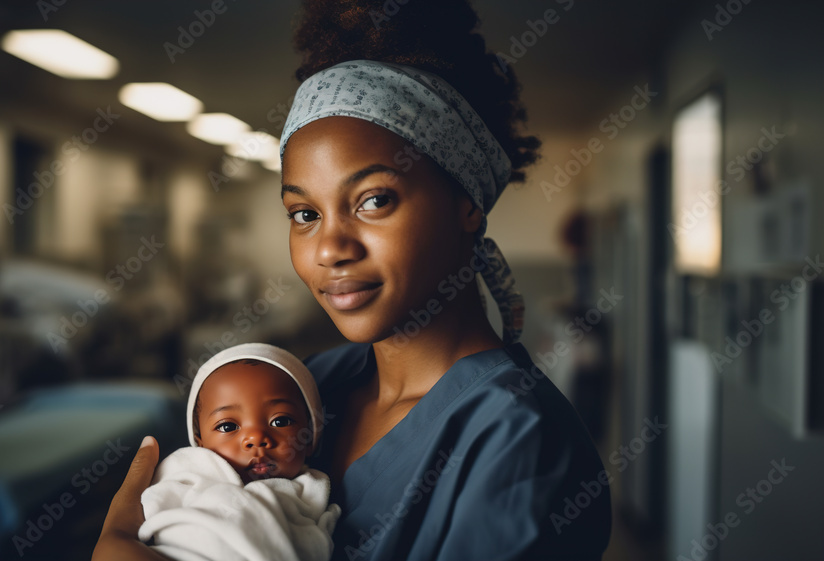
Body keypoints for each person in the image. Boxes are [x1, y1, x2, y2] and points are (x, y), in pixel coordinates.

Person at [94, 1, 611, 560]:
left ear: (466, 204)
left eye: (374, 201)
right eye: (305, 214)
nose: (330, 250)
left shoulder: (521, 444)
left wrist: (120, 549)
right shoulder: (312, 387)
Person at [136, 343, 340, 561]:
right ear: (200, 444)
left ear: (309, 437)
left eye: (280, 421)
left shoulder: (310, 495)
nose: (256, 438)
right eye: (228, 427)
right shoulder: (185, 476)